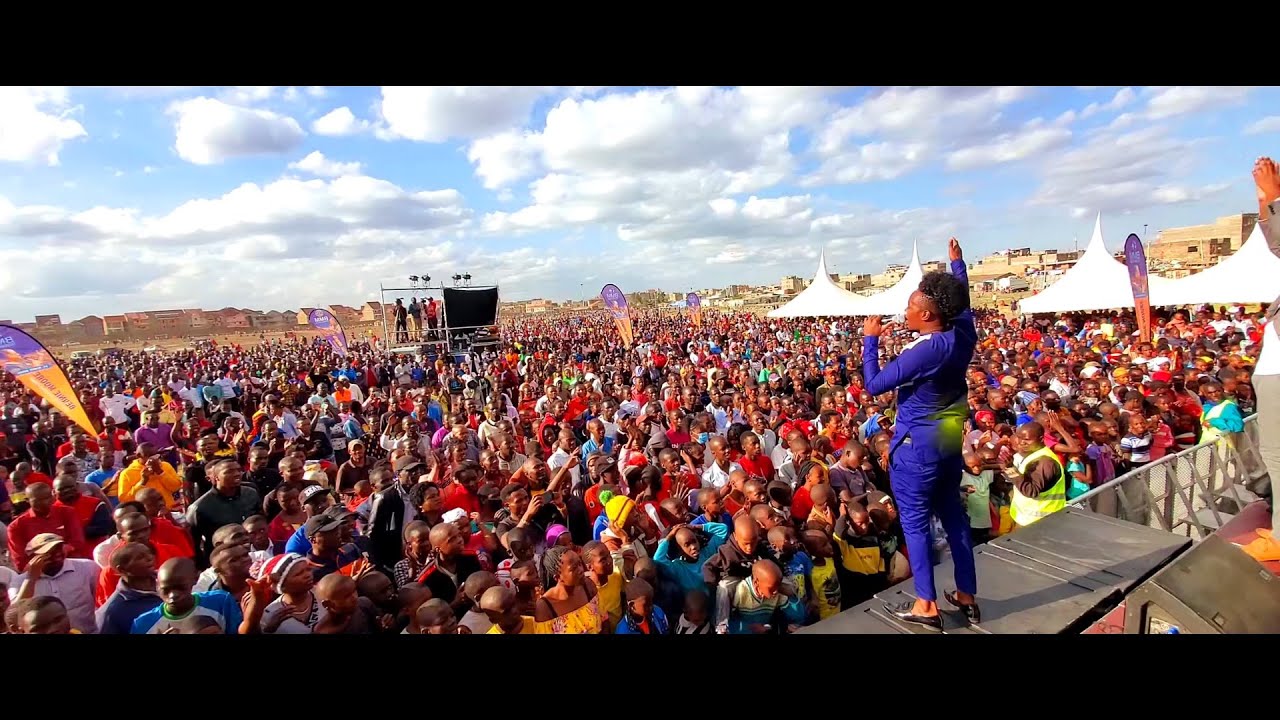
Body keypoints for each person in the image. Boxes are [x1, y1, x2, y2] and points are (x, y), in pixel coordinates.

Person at [861, 237, 979, 630]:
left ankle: (926, 604)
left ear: (929, 315)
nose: (906, 311)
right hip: (948, 440)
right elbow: (964, 303)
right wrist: (956, 266)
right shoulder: (961, 333)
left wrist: (870, 339)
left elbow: (875, 384)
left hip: (918, 448)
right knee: (954, 517)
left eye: (912, 306)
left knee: (915, 524)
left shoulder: (927, 350)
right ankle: (965, 594)